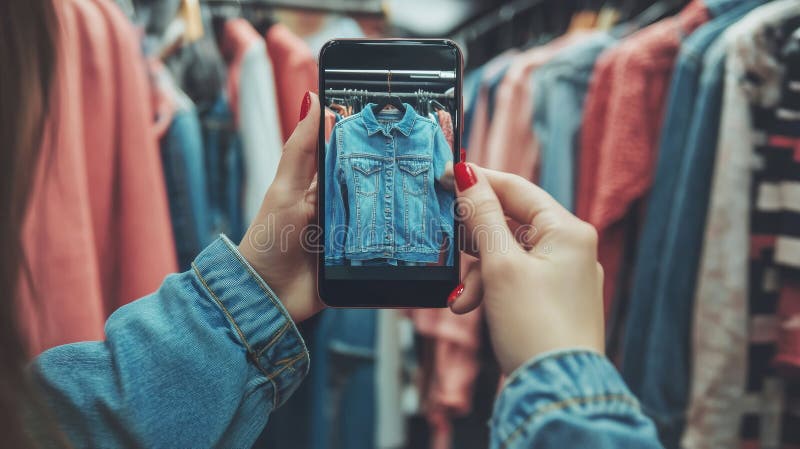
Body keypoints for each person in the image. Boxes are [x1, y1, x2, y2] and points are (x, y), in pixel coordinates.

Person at [2, 1, 664, 447]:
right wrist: (566, 376)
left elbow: (80, 419)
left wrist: (250, 288)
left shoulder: (434, 132)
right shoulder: (343, 132)